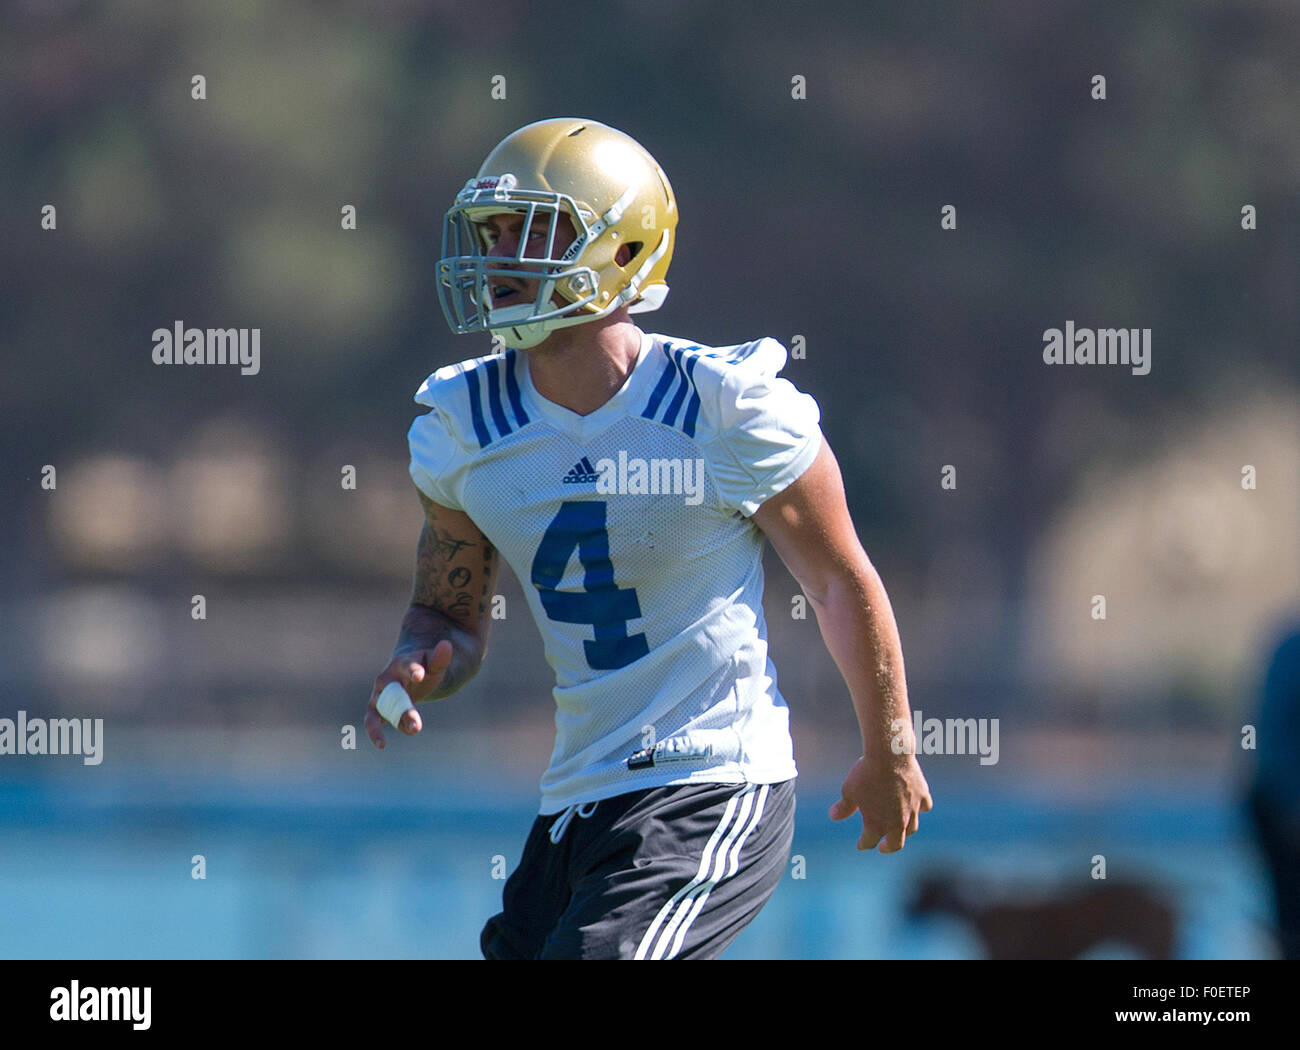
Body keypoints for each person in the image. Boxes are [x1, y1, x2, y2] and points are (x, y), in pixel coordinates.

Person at [364, 117, 932, 959]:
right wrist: (423, 659)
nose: (499, 258)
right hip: (575, 798)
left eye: (532, 232)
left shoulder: (725, 407)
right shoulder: (464, 425)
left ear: (623, 250)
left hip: (711, 779)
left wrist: (890, 749)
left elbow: (839, 583)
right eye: (493, 233)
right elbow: (448, 614)